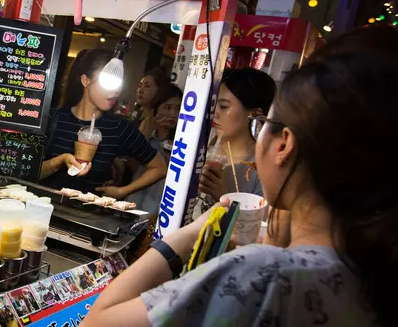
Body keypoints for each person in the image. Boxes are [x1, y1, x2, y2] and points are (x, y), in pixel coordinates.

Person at [80, 26, 396, 327]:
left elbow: (96, 321)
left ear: (284, 144)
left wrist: (191, 233)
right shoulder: (370, 280)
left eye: (262, 126)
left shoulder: (262, 275)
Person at [40, 49, 166, 198]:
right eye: (108, 82)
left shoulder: (118, 127)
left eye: (118, 83)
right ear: (85, 80)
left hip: (87, 217)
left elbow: (159, 168)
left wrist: (122, 191)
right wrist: (60, 161)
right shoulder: (53, 119)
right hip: (42, 210)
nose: (116, 91)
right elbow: (26, 170)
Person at [199, 67, 275, 201]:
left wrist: (223, 197)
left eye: (223, 106)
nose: (214, 113)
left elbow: (257, 221)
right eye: (214, 104)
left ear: (254, 113)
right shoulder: (203, 145)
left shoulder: (263, 169)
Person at [123, 85, 182, 214]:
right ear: (156, 108)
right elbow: (132, 167)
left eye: (178, 109)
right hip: (134, 198)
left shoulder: (182, 140)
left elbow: (172, 174)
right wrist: (149, 132)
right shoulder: (145, 130)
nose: (173, 114)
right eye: (167, 107)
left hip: (161, 206)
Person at [131, 68, 171, 138]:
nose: (140, 90)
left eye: (147, 86)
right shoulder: (138, 113)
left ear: (159, 90)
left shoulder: (158, 121)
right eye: (140, 86)